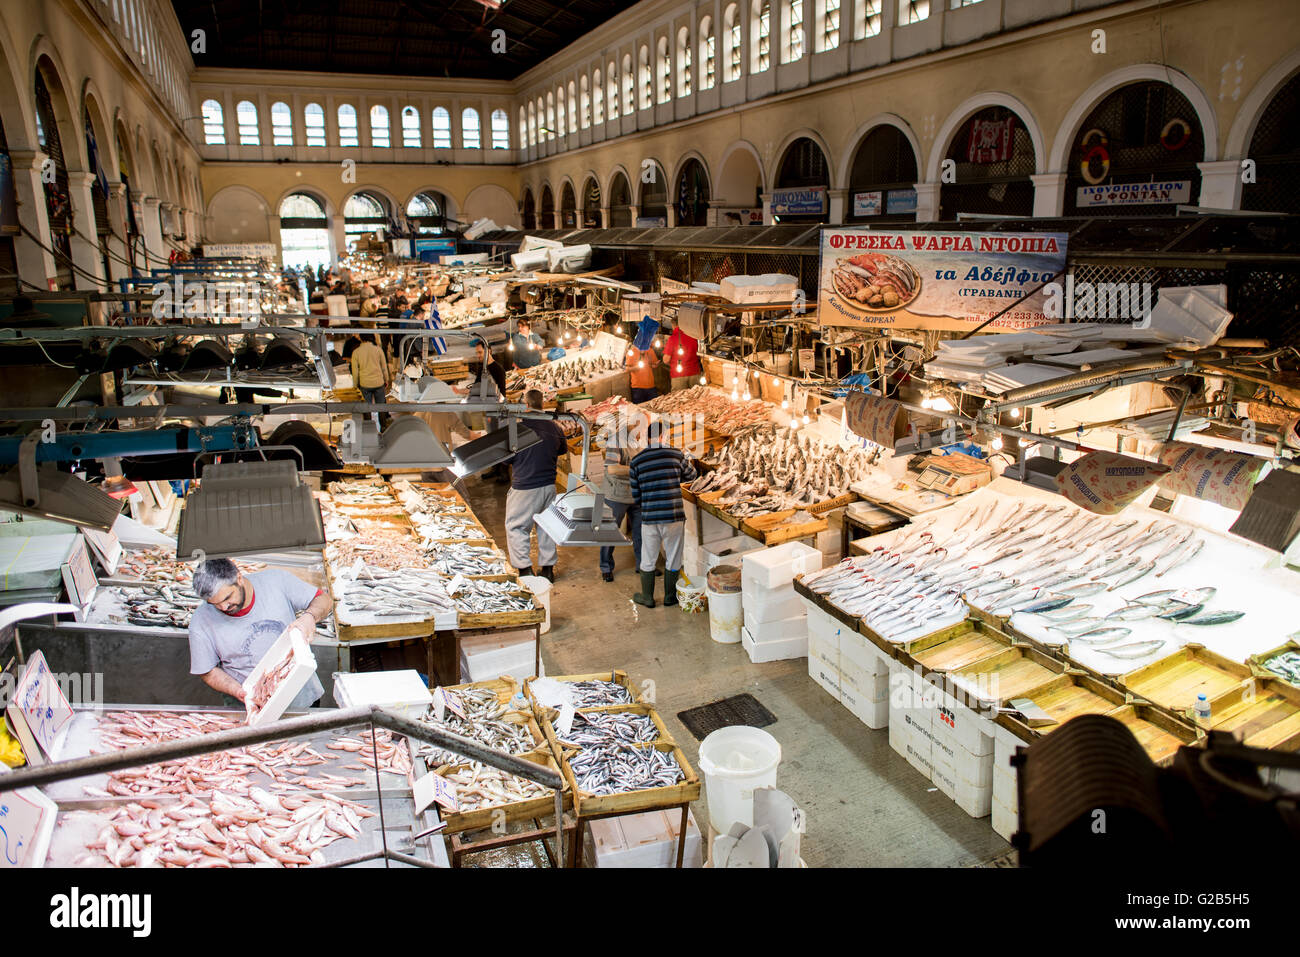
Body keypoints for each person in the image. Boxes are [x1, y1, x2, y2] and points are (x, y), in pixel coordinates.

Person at [188, 559, 333, 710]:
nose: (224, 607)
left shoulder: (276, 581)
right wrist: (237, 691)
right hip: (250, 707)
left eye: (227, 598)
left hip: (301, 697)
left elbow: (323, 599)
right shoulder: (200, 622)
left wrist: (309, 617)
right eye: (214, 604)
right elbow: (208, 671)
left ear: (239, 578)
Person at [628, 420, 696, 607]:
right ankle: (669, 597)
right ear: (663, 436)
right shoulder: (676, 455)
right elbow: (692, 476)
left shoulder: (636, 461)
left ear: (647, 438)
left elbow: (636, 495)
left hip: (649, 517)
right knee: (673, 556)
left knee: (648, 558)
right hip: (673, 515)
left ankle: (647, 597)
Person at [504, 389, 567, 581]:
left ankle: (524, 570)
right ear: (542, 404)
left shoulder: (518, 430)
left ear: (526, 405)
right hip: (549, 486)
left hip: (525, 487)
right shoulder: (555, 428)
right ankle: (547, 570)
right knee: (546, 526)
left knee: (516, 527)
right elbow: (561, 450)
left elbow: (506, 459)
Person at [597, 417, 642, 583]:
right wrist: (637, 468)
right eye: (637, 423)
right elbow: (613, 469)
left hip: (636, 493)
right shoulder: (615, 441)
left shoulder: (639, 441)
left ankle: (643, 565)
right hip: (616, 494)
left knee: (640, 531)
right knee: (610, 532)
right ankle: (606, 567)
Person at [350, 335, 390, 427]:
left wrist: (355, 386)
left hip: (365, 384)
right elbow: (384, 367)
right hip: (378, 382)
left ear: (361, 339)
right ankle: (383, 427)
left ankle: (369, 428)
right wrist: (386, 379)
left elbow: (355, 371)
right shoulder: (378, 350)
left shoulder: (356, 352)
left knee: (366, 408)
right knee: (381, 407)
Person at [665, 317, 701, 391]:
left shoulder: (673, 338)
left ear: (673, 325)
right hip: (695, 373)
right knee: (696, 399)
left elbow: (666, 359)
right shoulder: (693, 336)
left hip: (679, 375)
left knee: (679, 399)